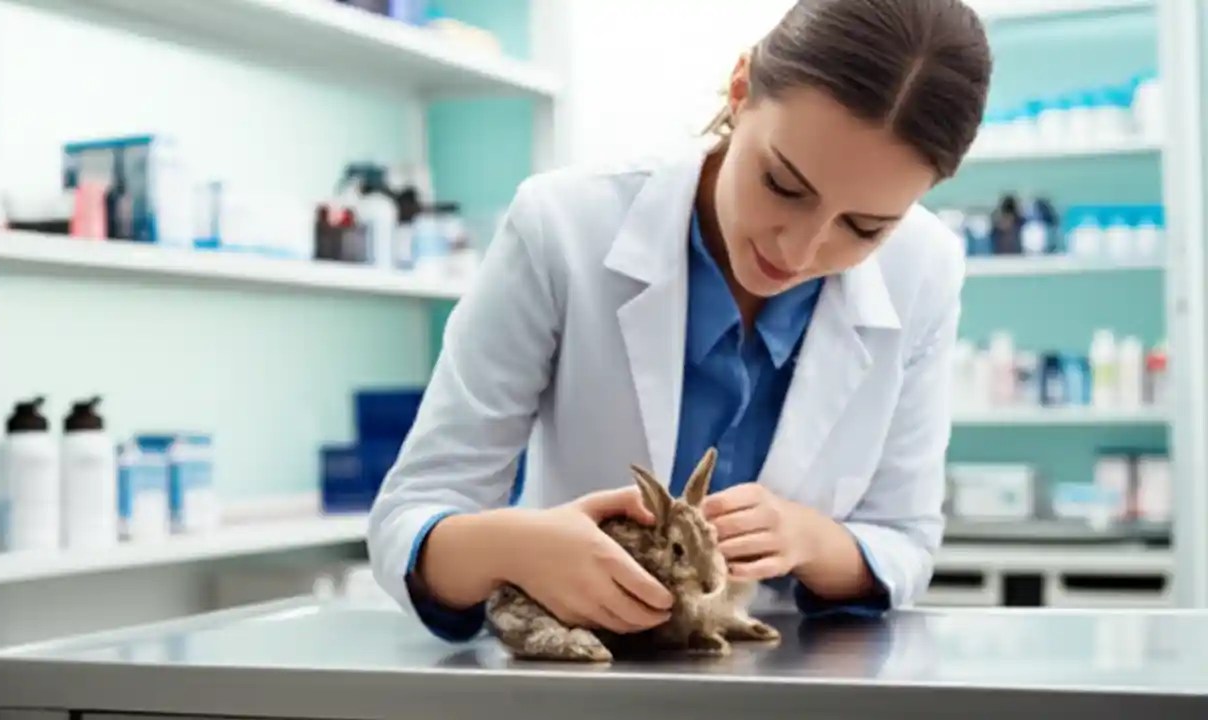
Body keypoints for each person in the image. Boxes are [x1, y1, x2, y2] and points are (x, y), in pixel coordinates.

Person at [369, 0, 993, 641]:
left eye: (864, 227)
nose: (799, 251)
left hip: (790, 680)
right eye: (782, 184)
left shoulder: (924, 268)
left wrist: (812, 540)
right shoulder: (562, 225)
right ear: (742, 88)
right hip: (585, 677)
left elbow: (906, 542)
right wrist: (515, 547)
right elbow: (408, 517)